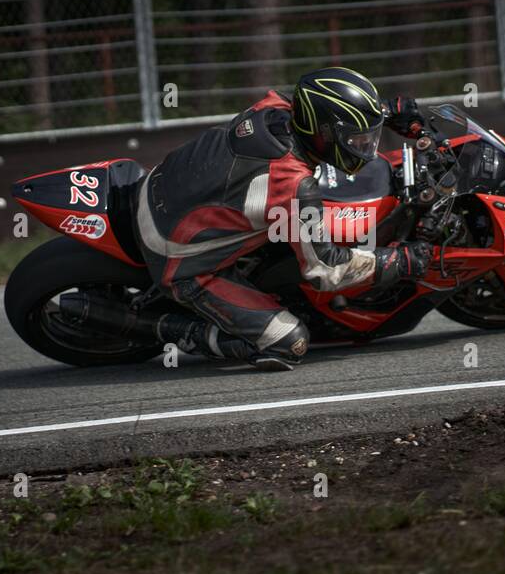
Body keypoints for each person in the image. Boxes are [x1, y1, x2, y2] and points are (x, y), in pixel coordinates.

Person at [120, 67, 431, 370]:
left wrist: (386, 111)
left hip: (158, 187)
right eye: (356, 139)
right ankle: (165, 328)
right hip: (174, 253)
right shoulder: (294, 183)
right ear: (322, 133)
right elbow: (325, 269)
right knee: (289, 342)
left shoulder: (273, 109)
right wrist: (397, 262)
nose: (364, 148)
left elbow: (316, 105)